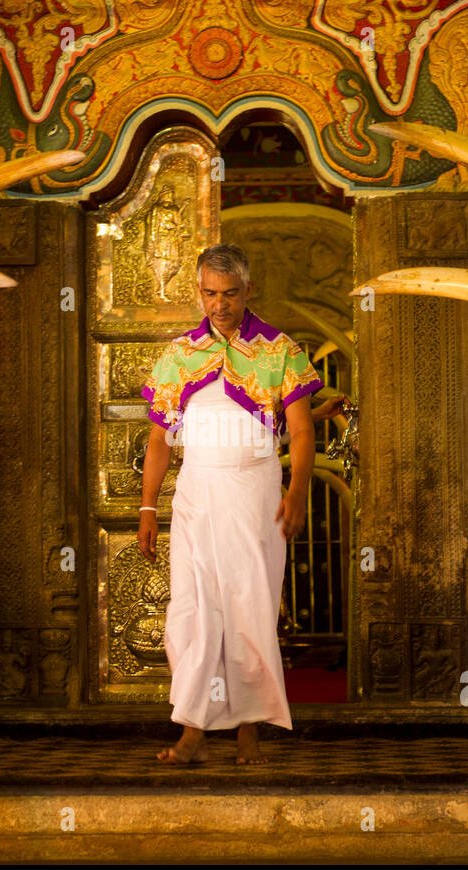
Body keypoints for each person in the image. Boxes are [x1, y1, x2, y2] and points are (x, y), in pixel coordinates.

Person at [139, 244, 344, 765]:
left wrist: (296, 490)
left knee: (248, 609)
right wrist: (147, 511)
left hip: (255, 493)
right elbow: (160, 441)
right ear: (199, 292)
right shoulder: (178, 355)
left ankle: (249, 727)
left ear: (248, 291)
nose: (220, 304)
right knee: (192, 611)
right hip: (195, 495)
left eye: (230, 294)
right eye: (210, 293)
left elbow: (298, 430)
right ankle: (193, 728)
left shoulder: (281, 351)